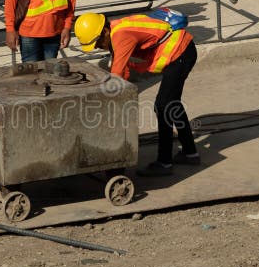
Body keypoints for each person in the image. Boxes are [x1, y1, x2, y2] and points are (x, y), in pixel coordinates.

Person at [74, 11, 200, 177]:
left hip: (180, 52)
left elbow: (116, 79)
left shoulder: (121, 36)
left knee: (163, 106)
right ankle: (190, 153)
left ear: (105, 32)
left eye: (97, 43)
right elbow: (124, 73)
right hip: (182, 50)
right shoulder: (116, 31)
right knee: (171, 103)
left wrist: (102, 107)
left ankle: (164, 163)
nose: (98, 47)